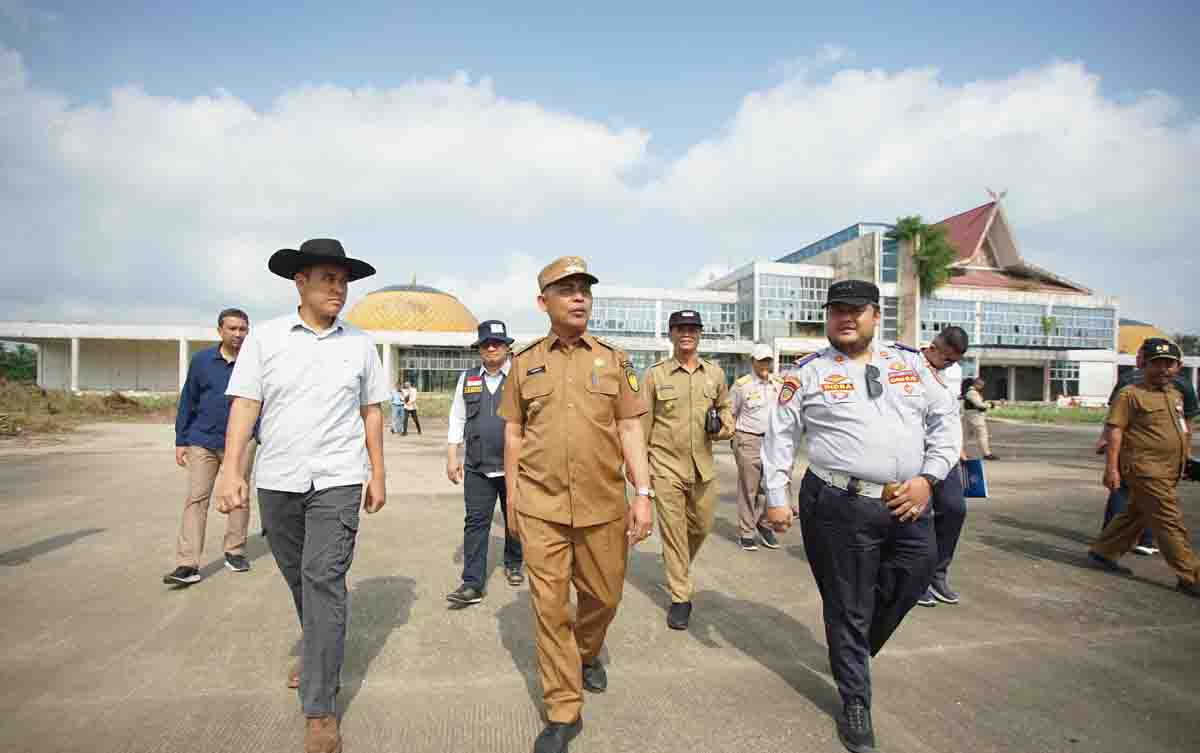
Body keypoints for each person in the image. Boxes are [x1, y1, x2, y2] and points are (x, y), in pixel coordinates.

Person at [760, 279, 959, 753]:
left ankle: (849, 646)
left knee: (916, 573)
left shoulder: (909, 364)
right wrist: (776, 495)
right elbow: (780, 435)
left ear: (875, 315)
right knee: (848, 604)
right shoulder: (807, 373)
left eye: (855, 310)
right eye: (836, 311)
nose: (845, 319)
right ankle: (855, 700)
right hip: (837, 504)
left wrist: (929, 478)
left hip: (907, 501)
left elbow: (944, 420)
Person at [216, 238, 389, 753]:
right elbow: (246, 405)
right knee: (299, 578)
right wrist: (231, 471)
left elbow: (372, 410)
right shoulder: (265, 339)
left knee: (324, 579)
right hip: (278, 479)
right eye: (329, 279)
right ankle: (318, 649)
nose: (339, 289)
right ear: (301, 282)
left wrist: (377, 472)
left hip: (337, 478)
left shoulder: (359, 343)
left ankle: (319, 706)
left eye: (344, 281)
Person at [497, 256, 652, 753]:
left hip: (604, 504)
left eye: (584, 288)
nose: (579, 296)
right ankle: (563, 710)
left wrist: (643, 494)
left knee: (603, 599)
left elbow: (630, 427)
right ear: (544, 303)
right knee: (548, 608)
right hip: (541, 506)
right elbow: (515, 432)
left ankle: (587, 652)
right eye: (567, 289)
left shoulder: (616, 359)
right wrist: (514, 500)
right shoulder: (524, 363)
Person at [641, 309, 734, 629]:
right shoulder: (655, 375)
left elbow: (724, 409)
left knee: (702, 526)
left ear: (699, 334)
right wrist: (639, 470)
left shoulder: (716, 374)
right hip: (666, 466)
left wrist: (725, 426)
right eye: (680, 328)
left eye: (692, 328)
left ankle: (677, 566)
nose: (686, 333)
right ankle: (681, 596)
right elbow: (643, 424)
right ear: (670, 334)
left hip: (703, 468)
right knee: (675, 533)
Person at [1089, 338, 1198, 598]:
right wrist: (1111, 468)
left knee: (1136, 512)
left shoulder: (1175, 394)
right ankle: (1190, 576)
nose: (1163, 369)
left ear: (1178, 367)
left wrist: (1187, 457)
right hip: (1145, 469)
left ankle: (1103, 551)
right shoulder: (1130, 394)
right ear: (1144, 365)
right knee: (1169, 520)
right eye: (1157, 363)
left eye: (1169, 364)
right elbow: (1115, 431)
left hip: (1170, 468)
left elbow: (1182, 429)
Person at [162, 308, 258, 586]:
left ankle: (235, 551)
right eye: (232, 329)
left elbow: (263, 400)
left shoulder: (253, 362)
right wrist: (181, 439)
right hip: (202, 440)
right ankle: (187, 563)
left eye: (243, 329)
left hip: (240, 443)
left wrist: (258, 433)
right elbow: (188, 399)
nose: (238, 334)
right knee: (196, 498)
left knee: (238, 495)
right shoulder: (202, 361)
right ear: (220, 331)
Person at [445, 319, 524, 606]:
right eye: (486, 343)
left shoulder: (519, 377)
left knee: (515, 516)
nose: (492, 347)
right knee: (476, 522)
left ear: (507, 347)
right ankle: (472, 582)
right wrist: (452, 455)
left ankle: (514, 562)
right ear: (479, 348)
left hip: (515, 466)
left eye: (498, 343)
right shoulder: (467, 379)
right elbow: (457, 417)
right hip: (477, 465)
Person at [916, 326, 970, 607]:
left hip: (943, 453)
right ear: (934, 347)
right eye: (948, 359)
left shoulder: (954, 372)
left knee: (954, 508)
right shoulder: (911, 365)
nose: (951, 366)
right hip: (914, 453)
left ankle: (938, 573)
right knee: (920, 516)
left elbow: (952, 411)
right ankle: (917, 581)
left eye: (956, 361)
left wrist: (957, 445)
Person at [731, 343, 785, 552]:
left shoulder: (779, 384)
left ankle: (764, 524)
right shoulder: (741, 385)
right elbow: (731, 413)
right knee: (749, 488)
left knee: (772, 486)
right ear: (752, 361)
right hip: (749, 439)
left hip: (774, 442)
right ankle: (746, 532)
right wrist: (735, 438)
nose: (765, 365)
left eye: (768, 361)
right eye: (761, 360)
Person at [962, 378, 996, 460]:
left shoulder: (970, 392)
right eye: (981, 385)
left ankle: (960, 453)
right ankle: (986, 454)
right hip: (975, 416)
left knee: (965, 436)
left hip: (970, 415)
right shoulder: (972, 393)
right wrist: (989, 405)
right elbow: (979, 405)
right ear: (976, 384)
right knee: (982, 435)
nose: (982, 387)